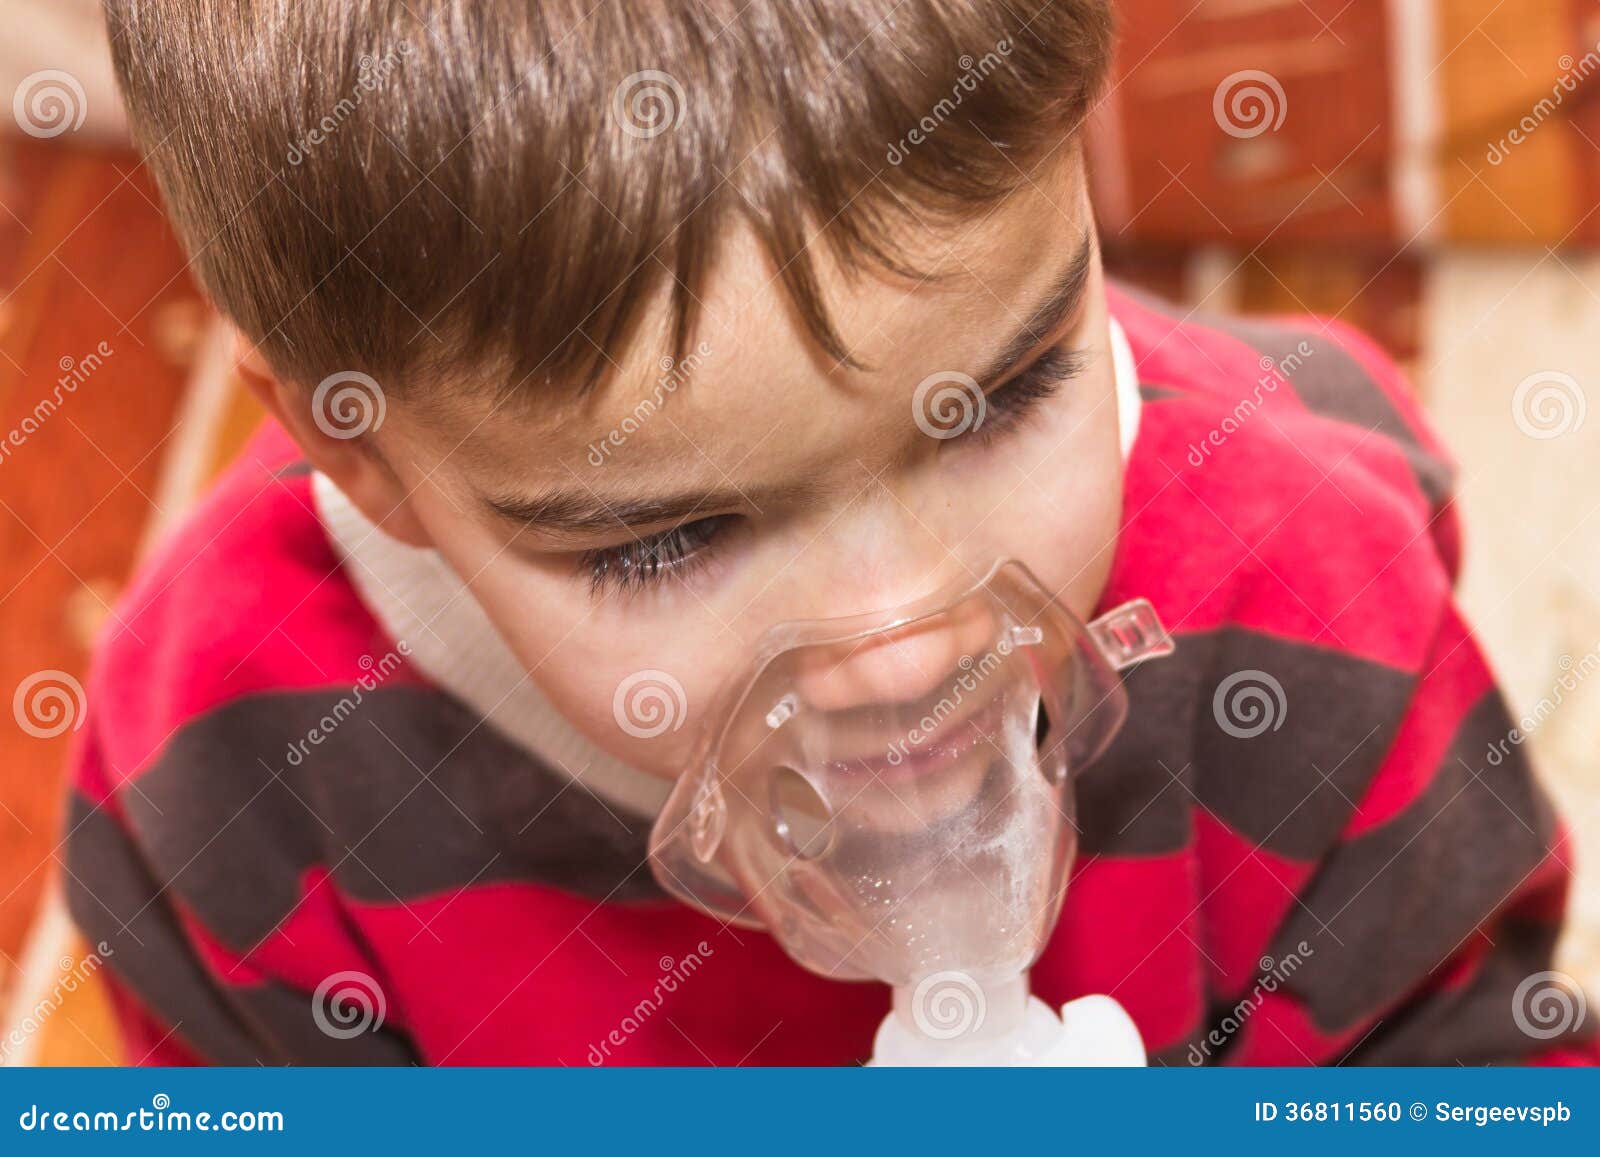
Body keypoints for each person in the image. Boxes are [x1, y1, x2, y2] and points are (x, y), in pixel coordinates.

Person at [66, 0, 1595, 1065]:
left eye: (994, 399)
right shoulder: (228, 776)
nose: (905, 641)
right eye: (663, 540)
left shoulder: (1305, 594)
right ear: (361, 450)